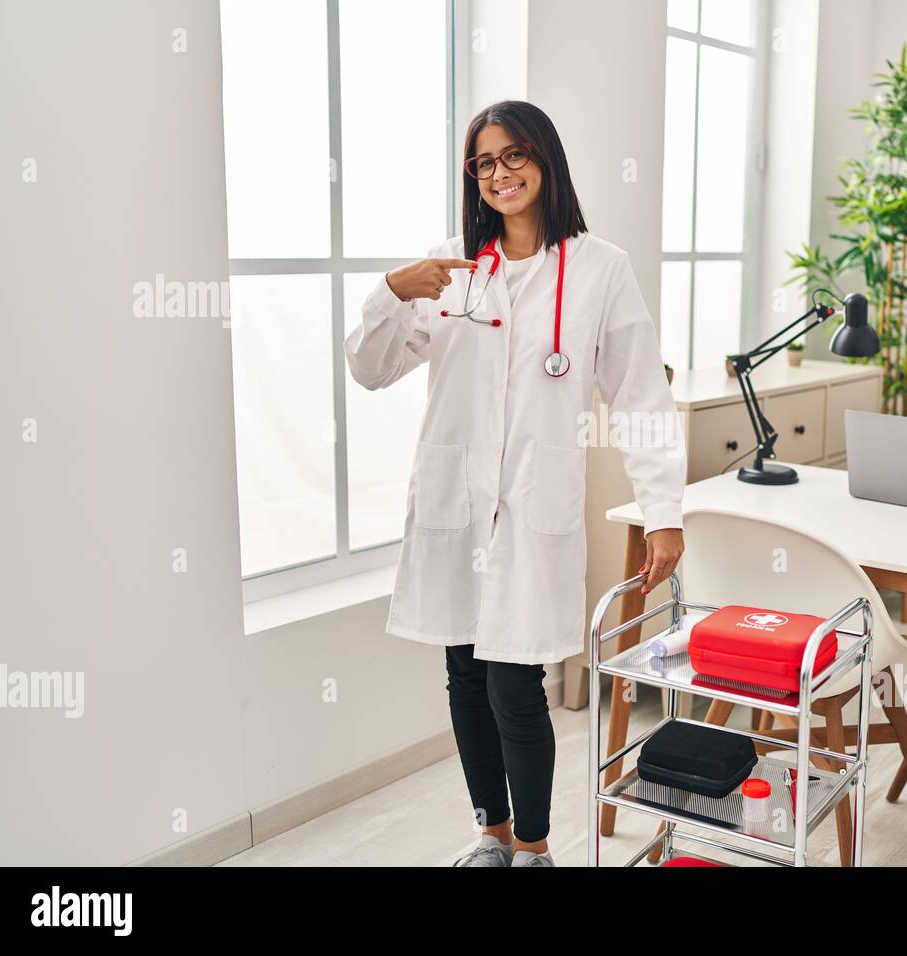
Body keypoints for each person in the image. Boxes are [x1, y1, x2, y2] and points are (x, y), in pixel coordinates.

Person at [344, 101, 686, 867]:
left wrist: (665, 512)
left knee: (514, 685)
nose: (500, 174)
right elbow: (370, 371)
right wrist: (393, 290)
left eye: (514, 155)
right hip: (457, 506)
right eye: (484, 163)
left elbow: (639, 397)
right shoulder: (449, 267)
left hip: (535, 505)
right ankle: (489, 837)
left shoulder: (600, 268)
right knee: (464, 673)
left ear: (545, 159)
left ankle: (533, 849)